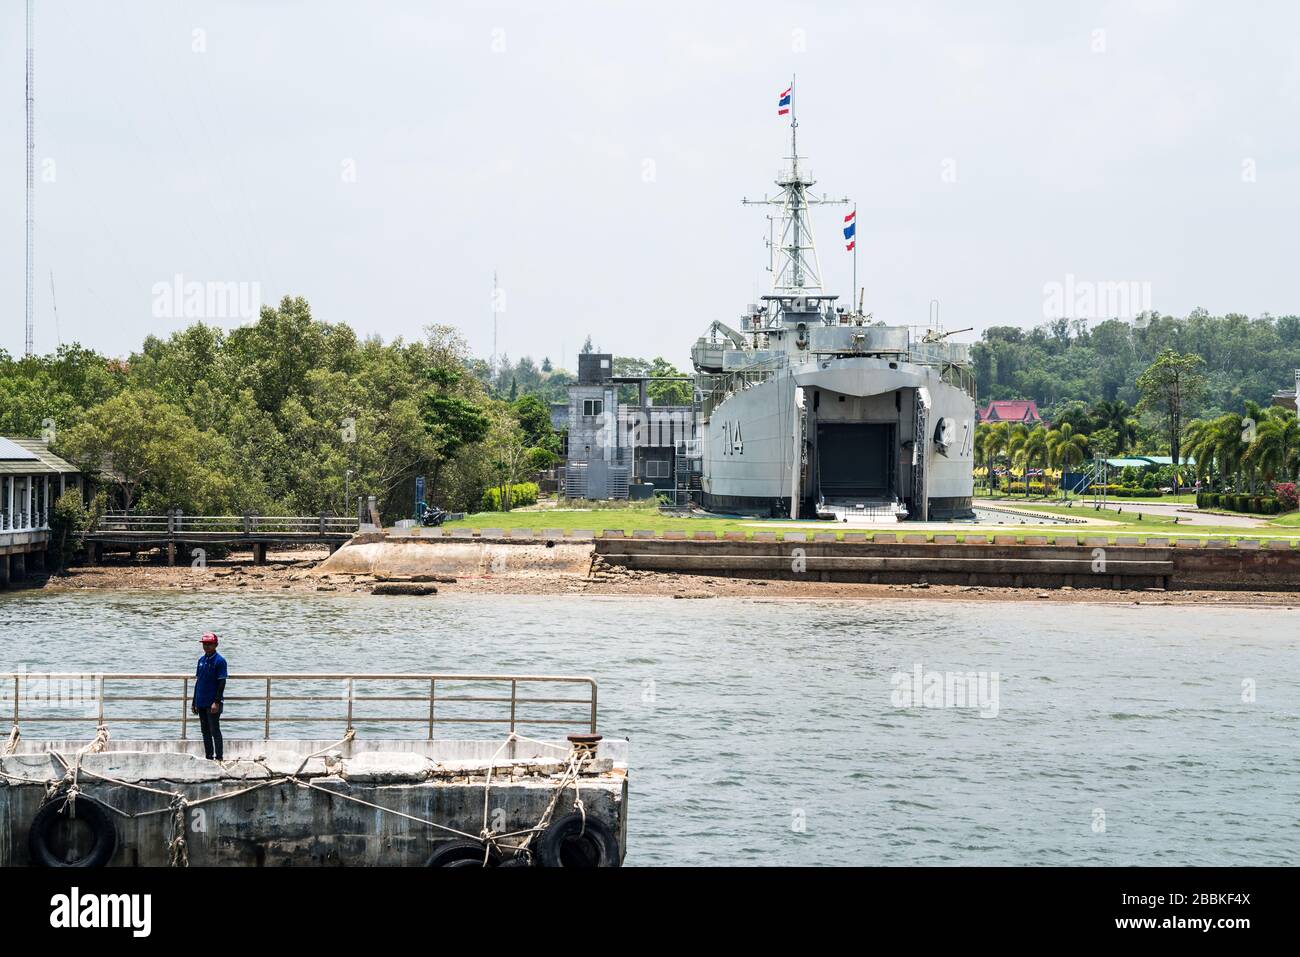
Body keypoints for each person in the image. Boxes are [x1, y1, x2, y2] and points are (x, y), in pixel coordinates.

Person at [192, 633, 228, 760]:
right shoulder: (201, 660)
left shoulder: (220, 661)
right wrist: (194, 702)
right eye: (204, 644)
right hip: (201, 701)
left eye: (209, 644)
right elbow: (198, 681)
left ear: (216, 645)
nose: (206, 646)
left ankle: (219, 757)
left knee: (214, 730)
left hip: (213, 702)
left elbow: (222, 682)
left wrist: (216, 702)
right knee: (205, 731)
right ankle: (208, 756)